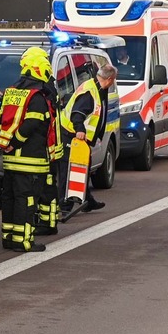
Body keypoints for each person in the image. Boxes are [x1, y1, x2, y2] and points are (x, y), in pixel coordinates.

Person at [0, 46, 57, 253]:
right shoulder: (37, 97)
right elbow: (31, 125)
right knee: (26, 200)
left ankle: (9, 238)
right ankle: (23, 241)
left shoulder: (11, 92)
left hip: (9, 160)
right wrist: (17, 142)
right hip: (30, 161)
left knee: (9, 198)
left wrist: (4, 142)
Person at [58, 63, 116, 219]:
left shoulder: (97, 87)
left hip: (80, 138)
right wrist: (80, 130)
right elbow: (77, 113)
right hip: (72, 134)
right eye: (114, 80)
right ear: (110, 79)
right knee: (68, 169)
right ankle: (64, 205)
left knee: (84, 167)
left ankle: (87, 200)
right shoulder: (90, 92)